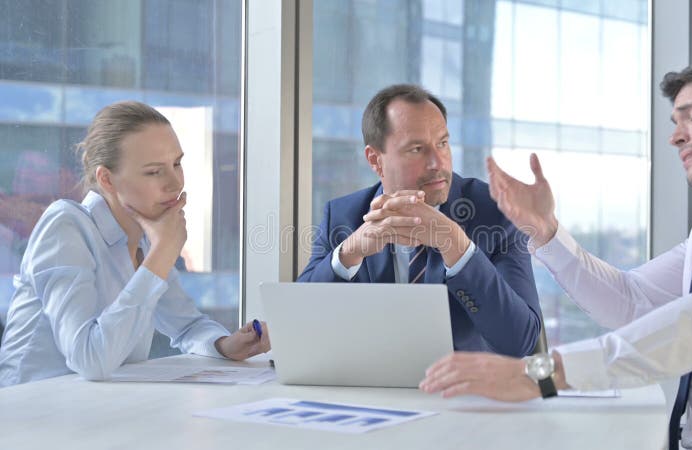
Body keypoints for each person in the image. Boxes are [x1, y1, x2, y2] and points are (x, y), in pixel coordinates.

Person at [420, 52, 692, 450]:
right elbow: (630, 301)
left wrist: (543, 373)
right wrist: (546, 232)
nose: (676, 136)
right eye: (675, 122)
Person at [0, 101, 270, 387]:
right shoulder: (65, 226)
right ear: (107, 179)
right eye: (154, 171)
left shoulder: (142, 236)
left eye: (176, 163)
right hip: (28, 411)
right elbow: (90, 358)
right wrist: (163, 251)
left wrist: (225, 345)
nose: (175, 183)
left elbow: (186, 324)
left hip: (94, 410)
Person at [298, 84, 541, 357]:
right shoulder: (343, 216)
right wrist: (349, 253)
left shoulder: (497, 212)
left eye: (443, 143)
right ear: (375, 160)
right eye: (416, 149)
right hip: (369, 392)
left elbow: (522, 342)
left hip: (462, 394)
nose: (437, 162)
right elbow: (295, 322)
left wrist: (456, 245)